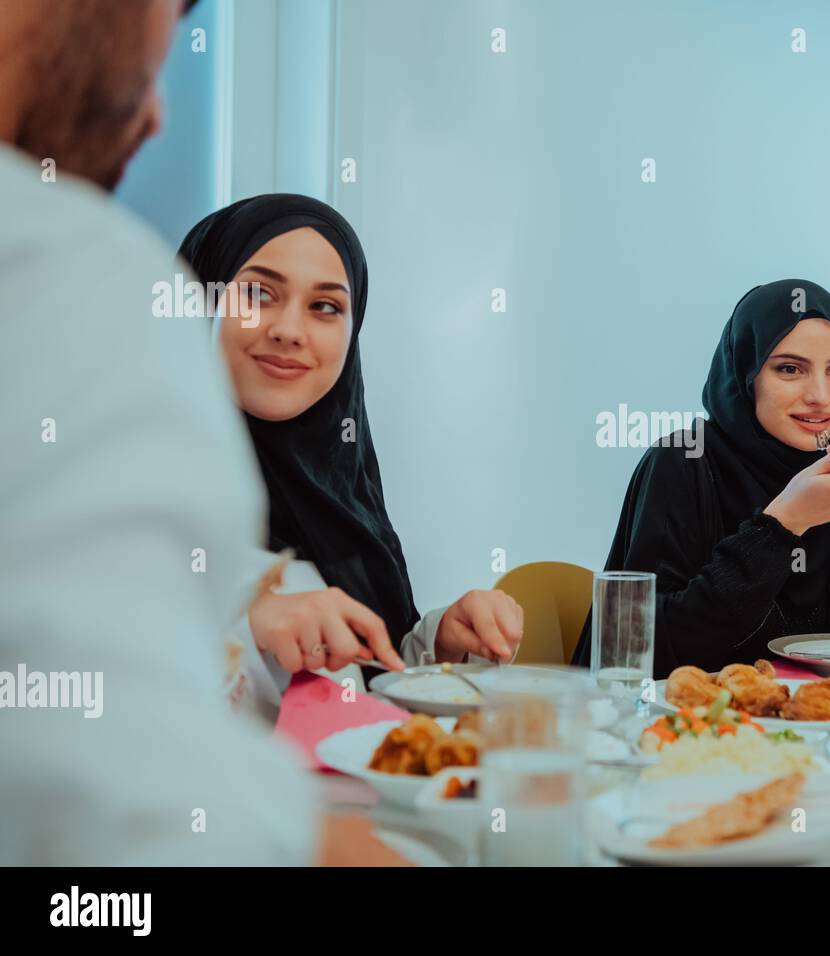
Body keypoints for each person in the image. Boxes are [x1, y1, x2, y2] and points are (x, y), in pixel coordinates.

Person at [0, 0, 317, 863]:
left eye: (330, 308)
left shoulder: (350, 486)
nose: (157, 113)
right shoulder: (77, 277)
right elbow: (130, 833)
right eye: (170, 14)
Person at [178, 194, 523, 691]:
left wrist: (438, 646)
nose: (289, 330)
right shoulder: (119, 482)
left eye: (324, 306)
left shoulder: (343, 501)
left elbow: (362, 691)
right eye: (258, 294)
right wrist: (248, 625)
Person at [573, 279, 830, 677]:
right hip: (679, 726)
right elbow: (645, 649)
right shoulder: (682, 459)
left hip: (792, 727)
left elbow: (789, 648)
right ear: (746, 374)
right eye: (790, 368)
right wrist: (781, 525)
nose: (821, 396)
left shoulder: (822, 470)